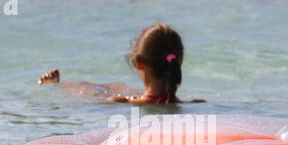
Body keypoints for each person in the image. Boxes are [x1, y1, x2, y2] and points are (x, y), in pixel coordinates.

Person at [38, 24, 204, 104]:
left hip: (127, 99)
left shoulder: (120, 102)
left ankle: (56, 85)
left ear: (139, 63)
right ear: (179, 62)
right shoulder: (197, 104)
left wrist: (54, 88)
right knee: (114, 88)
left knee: (98, 91)